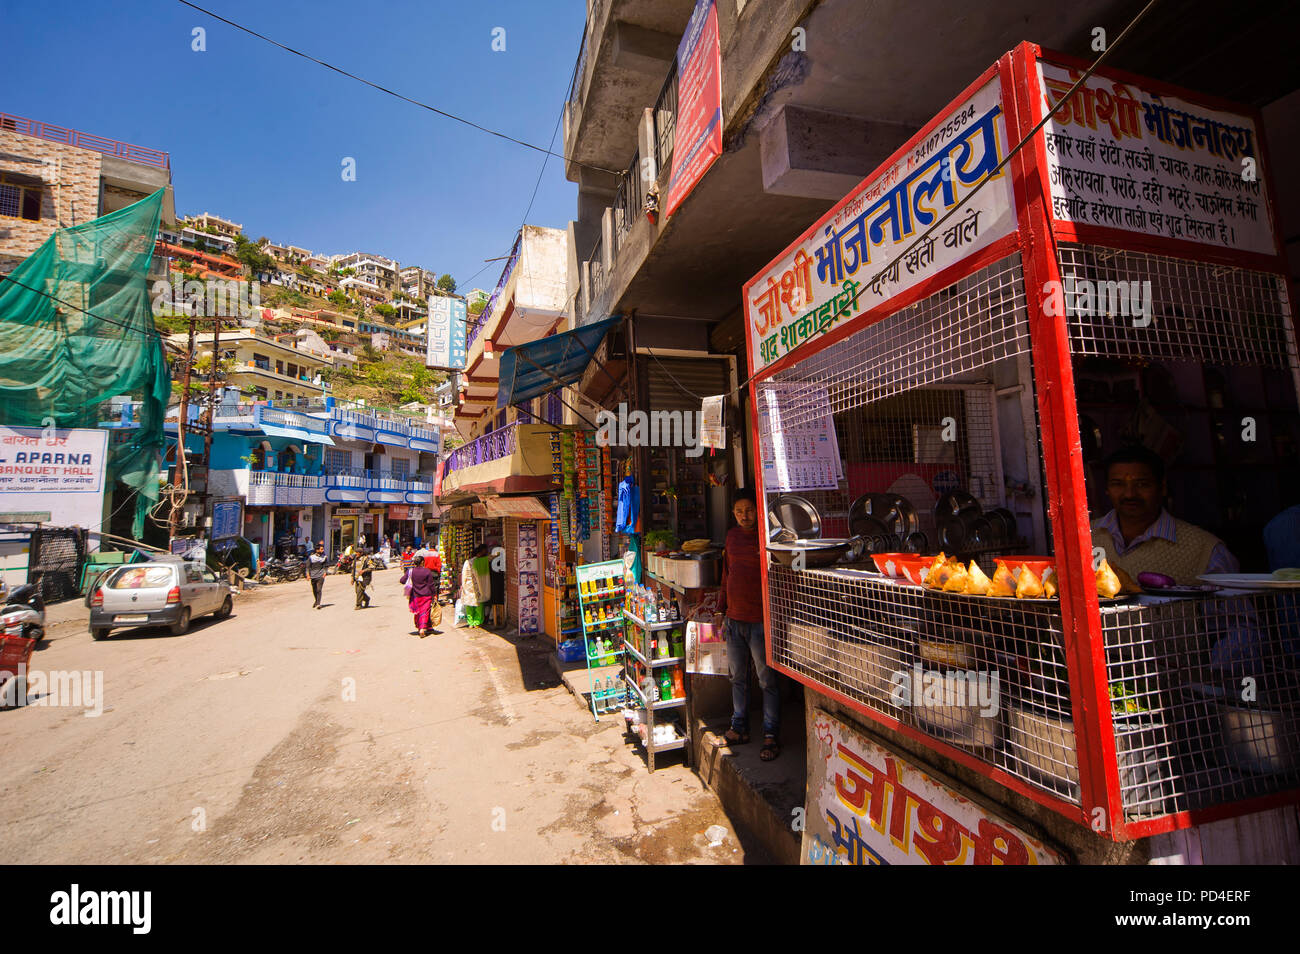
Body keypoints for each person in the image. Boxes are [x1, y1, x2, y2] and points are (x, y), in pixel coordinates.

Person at [1091, 445, 1239, 585]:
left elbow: (1235, 610)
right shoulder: (1083, 536)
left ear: (1162, 488)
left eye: (1142, 484)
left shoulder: (1205, 550)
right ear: (1107, 489)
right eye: (1118, 484)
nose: (1129, 494)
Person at [716, 489, 781, 761]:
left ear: (759, 510)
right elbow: (726, 574)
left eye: (749, 510)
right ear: (733, 513)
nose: (745, 515)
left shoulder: (767, 536)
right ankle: (739, 727)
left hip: (759, 621)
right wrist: (721, 611)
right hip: (734, 619)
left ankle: (770, 734)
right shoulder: (731, 537)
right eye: (739, 511)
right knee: (737, 678)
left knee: (767, 680)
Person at [401, 554, 438, 637]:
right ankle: (422, 628)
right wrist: (434, 594)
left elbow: (402, 580)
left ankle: (425, 627)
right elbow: (431, 584)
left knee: (418, 612)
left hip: (415, 596)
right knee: (424, 612)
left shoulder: (410, 571)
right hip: (426, 595)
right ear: (422, 562)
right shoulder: (427, 571)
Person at [461, 544, 489, 628]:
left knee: (469, 604)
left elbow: (464, 575)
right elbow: (492, 557)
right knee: (479, 604)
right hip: (478, 586)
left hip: (468, 586)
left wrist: (463, 585)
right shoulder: (483, 561)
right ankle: (478, 622)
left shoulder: (467, 562)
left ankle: (470, 622)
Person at [307, 541, 329, 609]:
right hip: (313, 576)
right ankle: (316, 601)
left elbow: (325, 565)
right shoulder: (311, 557)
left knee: (319, 589)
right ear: (317, 550)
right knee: (314, 590)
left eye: (323, 549)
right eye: (321, 549)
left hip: (320, 576)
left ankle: (318, 604)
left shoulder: (324, 557)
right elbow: (308, 566)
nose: (323, 550)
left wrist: (325, 572)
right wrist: (308, 575)